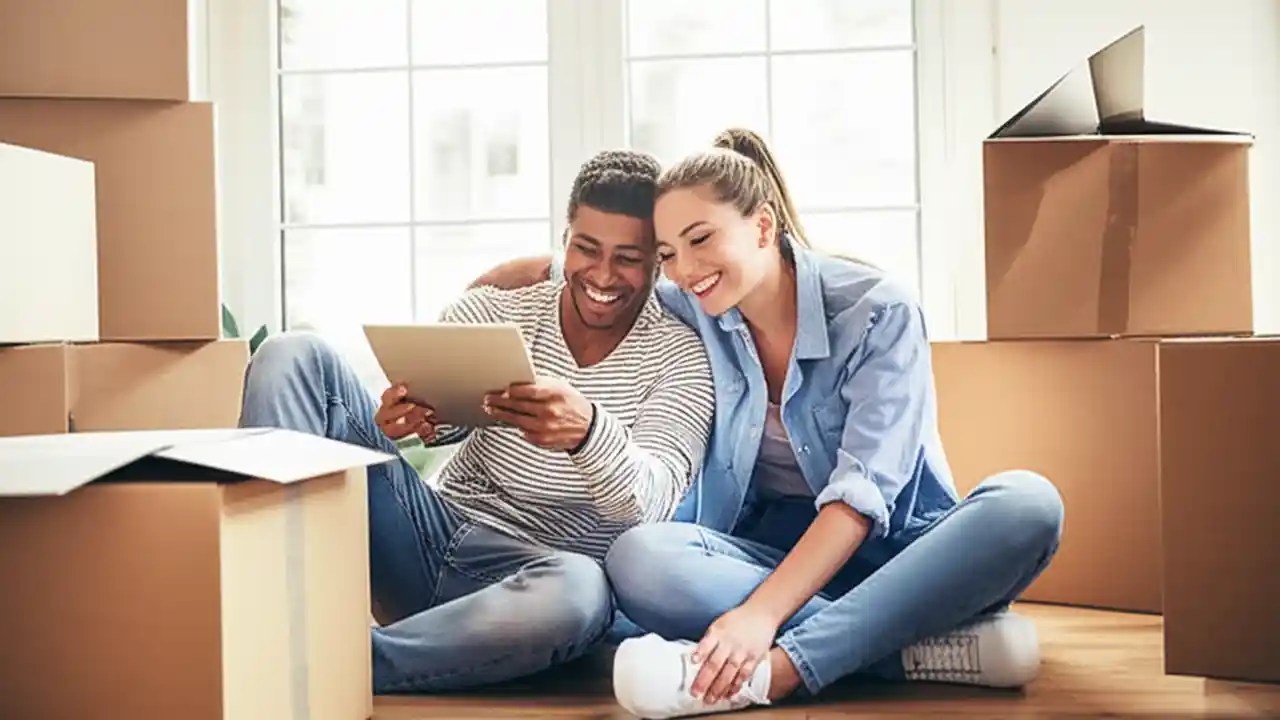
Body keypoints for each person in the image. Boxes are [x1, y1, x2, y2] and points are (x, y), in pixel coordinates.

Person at [477, 128, 1064, 718]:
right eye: (667, 255)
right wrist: (518, 271)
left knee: (1029, 504)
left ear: (762, 226)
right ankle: (908, 642)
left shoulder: (878, 311)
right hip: (767, 551)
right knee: (638, 557)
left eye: (701, 239)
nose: (684, 269)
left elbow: (862, 498)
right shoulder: (693, 303)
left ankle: (778, 671)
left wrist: (760, 617)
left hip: (899, 551)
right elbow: (601, 273)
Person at [237, 149, 714, 694]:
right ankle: (270, 618)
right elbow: (438, 412)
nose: (602, 275)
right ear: (564, 241)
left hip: (542, 582)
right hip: (430, 536)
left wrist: (588, 434)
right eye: (587, 249)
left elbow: (651, 501)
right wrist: (417, 417)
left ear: (657, 260)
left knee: (582, 589)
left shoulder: (682, 359)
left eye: (628, 257)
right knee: (290, 354)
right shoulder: (501, 307)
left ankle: (340, 665)